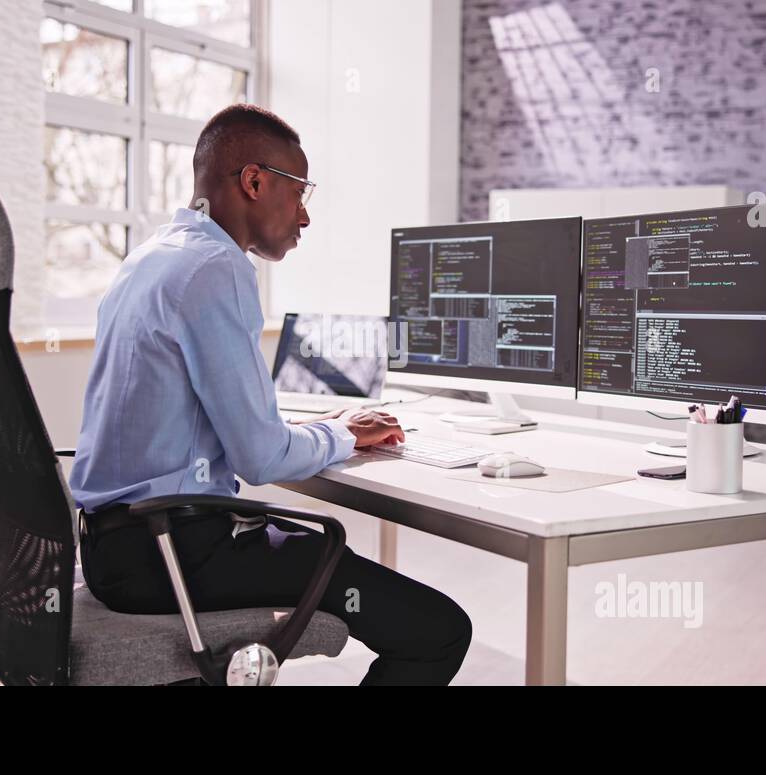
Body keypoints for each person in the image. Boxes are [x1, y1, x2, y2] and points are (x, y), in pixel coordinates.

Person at [68, 103, 472, 685]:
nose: (304, 216)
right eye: (299, 193)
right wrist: (342, 433)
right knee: (438, 631)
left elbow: (210, 422)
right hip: (174, 556)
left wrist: (316, 429)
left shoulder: (151, 258)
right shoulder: (216, 266)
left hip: (114, 549)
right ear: (254, 182)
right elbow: (261, 460)